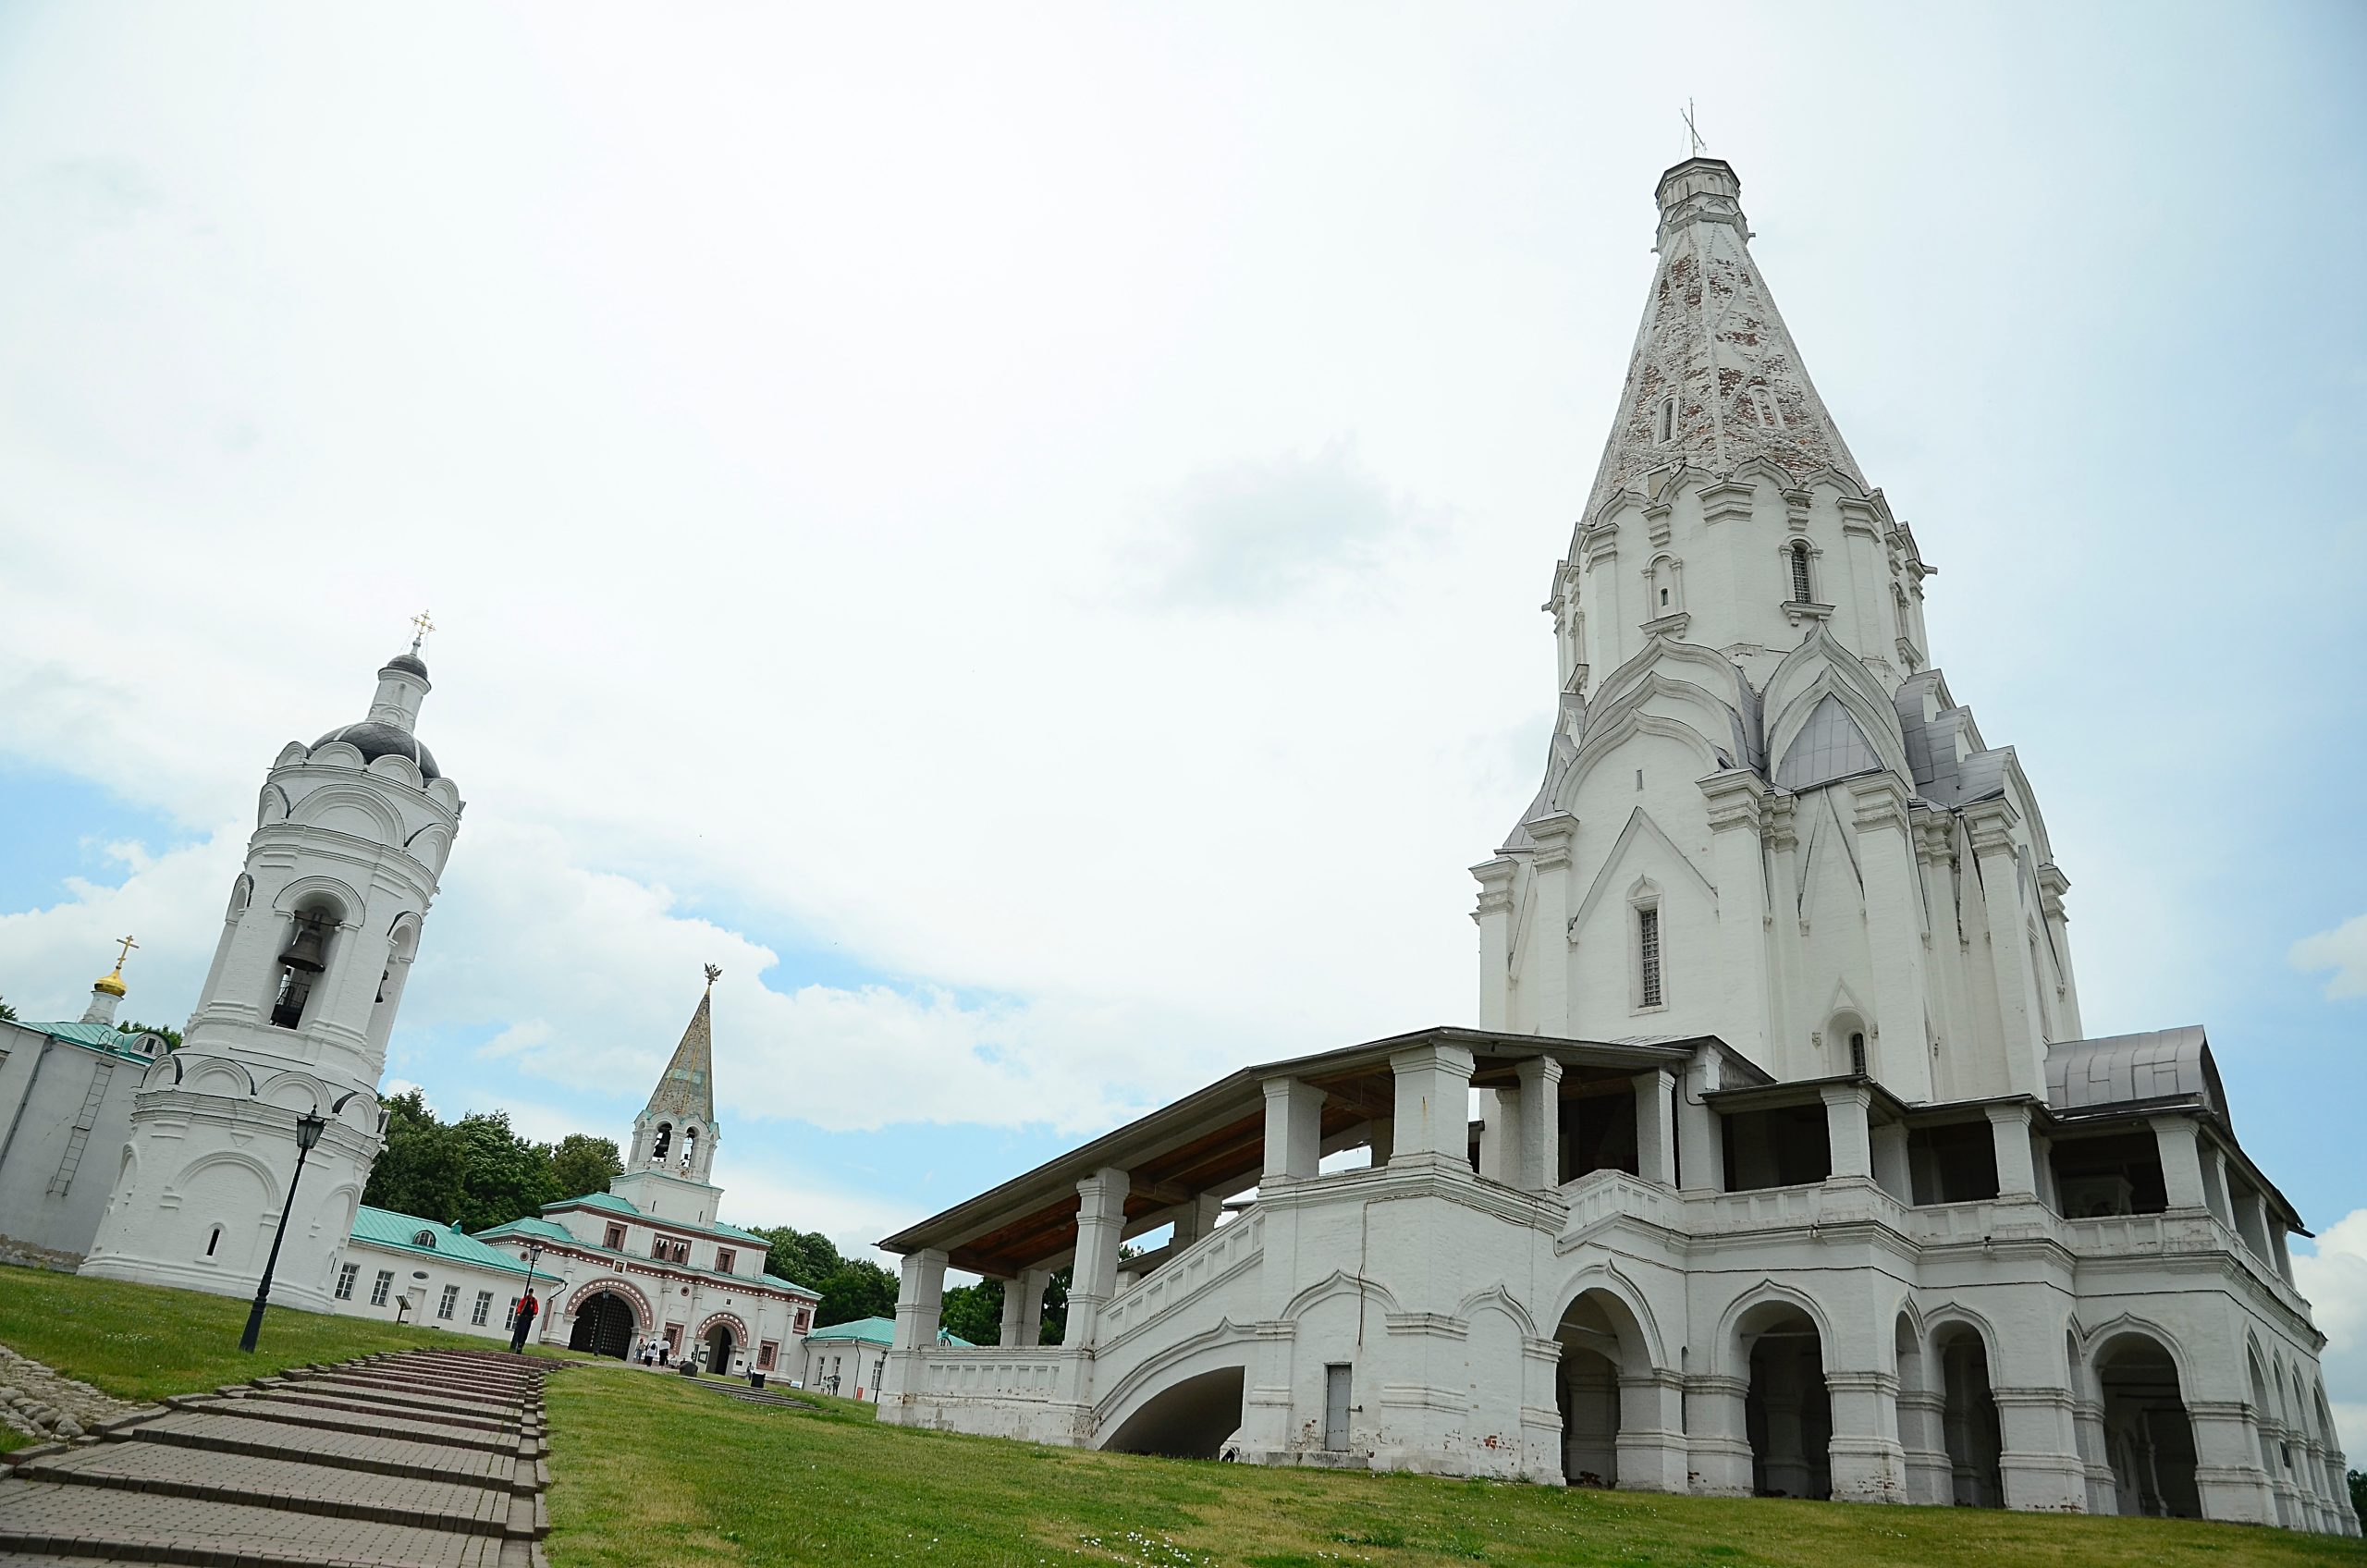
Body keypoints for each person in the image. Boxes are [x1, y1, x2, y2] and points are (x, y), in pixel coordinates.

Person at [509, 1289, 539, 1354]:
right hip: (522, 1317)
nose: (530, 1294)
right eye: (530, 1293)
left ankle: (521, 1344)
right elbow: (520, 1306)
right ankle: (518, 1343)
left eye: (531, 1293)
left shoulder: (534, 1301)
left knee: (525, 1331)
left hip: (528, 1319)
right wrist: (519, 1312)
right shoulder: (525, 1299)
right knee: (520, 1330)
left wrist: (534, 1314)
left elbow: (536, 1308)